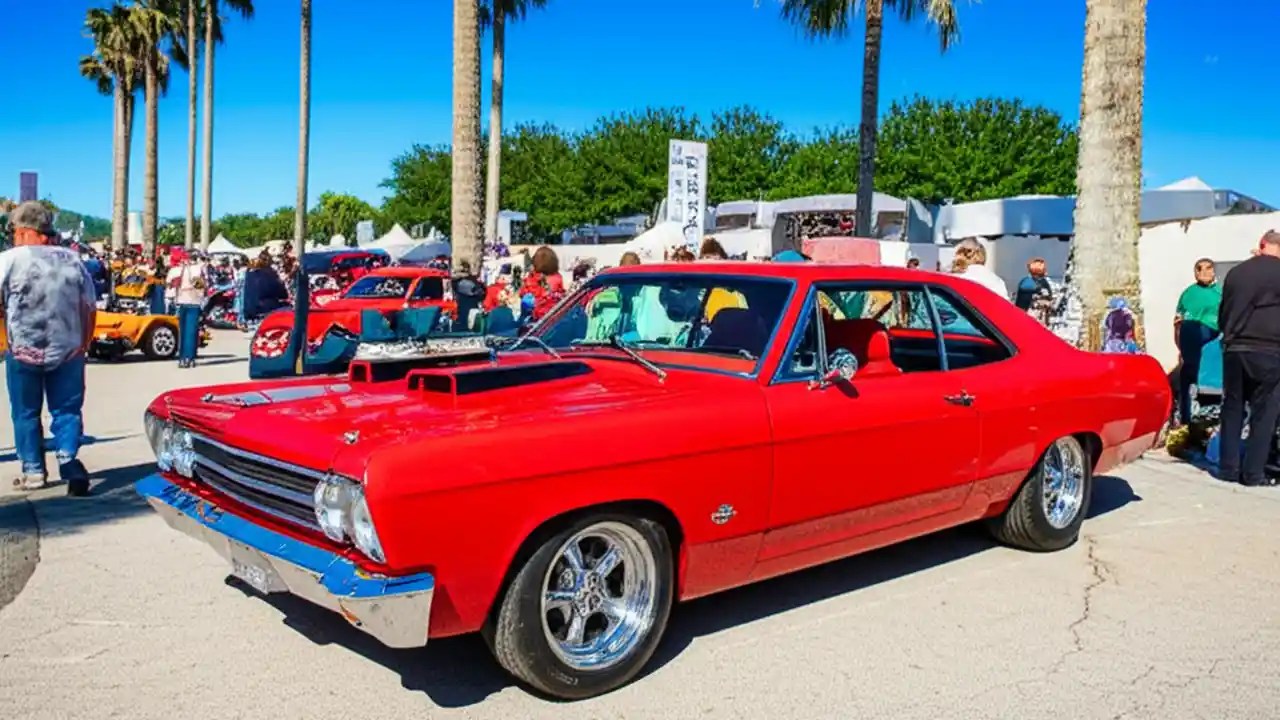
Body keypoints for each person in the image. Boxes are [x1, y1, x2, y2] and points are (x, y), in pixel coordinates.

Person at [0, 202, 97, 494]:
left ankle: (33, 472)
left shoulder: (8, 260)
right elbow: (89, 307)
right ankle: (68, 462)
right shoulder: (73, 260)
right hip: (68, 349)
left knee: (25, 412)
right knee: (67, 410)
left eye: (16, 232)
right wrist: (84, 344)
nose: (14, 238)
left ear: (25, 232)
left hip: (22, 349)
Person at [1216, 230, 1280, 487]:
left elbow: (1224, 312)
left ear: (1261, 245)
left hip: (1234, 348)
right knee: (1264, 412)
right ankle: (1253, 474)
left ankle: (1228, 468)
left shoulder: (1236, 273)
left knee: (1232, 407)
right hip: (1270, 349)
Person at [1173, 258, 1222, 425]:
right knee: (1188, 378)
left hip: (1212, 341)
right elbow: (1178, 321)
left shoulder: (1220, 293)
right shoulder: (1188, 293)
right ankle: (1186, 420)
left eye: (1208, 269)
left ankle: (1210, 419)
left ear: (1214, 271)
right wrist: (1179, 345)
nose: (1204, 273)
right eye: (1199, 269)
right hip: (1190, 342)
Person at [173, 253, 206, 368]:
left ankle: (183, 358)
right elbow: (200, 286)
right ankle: (189, 358)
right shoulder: (198, 269)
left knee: (183, 332)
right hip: (193, 302)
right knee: (191, 332)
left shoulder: (179, 269)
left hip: (183, 301)